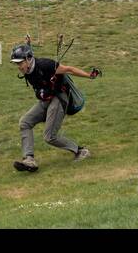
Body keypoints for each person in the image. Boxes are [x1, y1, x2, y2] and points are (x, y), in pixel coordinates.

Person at [9, 42, 100, 172]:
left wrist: (89, 76)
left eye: (20, 62)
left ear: (29, 59)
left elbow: (69, 69)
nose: (19, 66)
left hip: (59, 98)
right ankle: (29, 160)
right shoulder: (28, 69)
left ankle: (80, 151)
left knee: (49, 136)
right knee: (25, 122)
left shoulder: (46, 65)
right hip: (47, 100)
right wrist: (27, 43)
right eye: (16, 63)